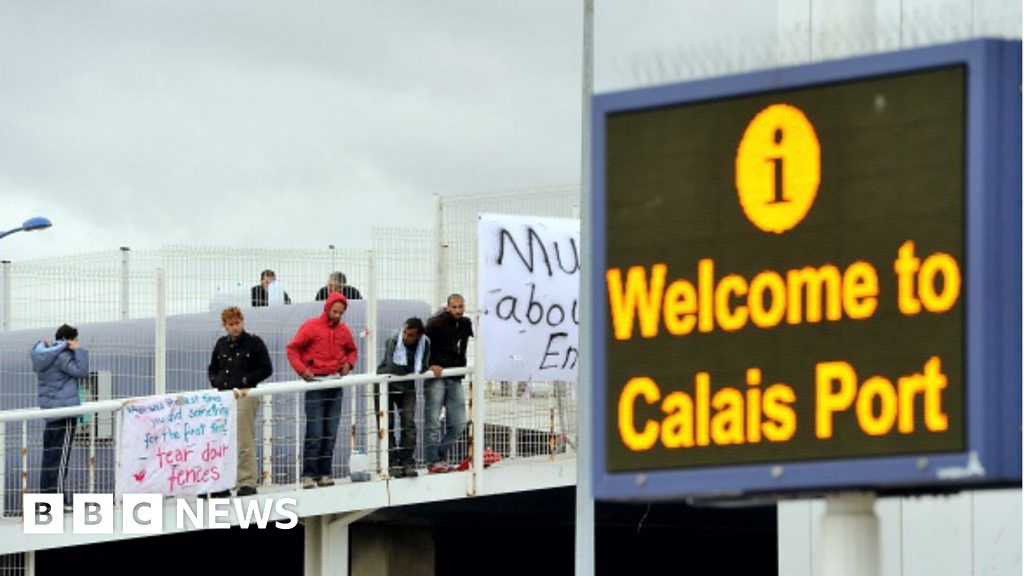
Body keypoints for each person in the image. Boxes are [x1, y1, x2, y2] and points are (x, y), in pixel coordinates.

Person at [286, 292, 358, 489]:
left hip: (335, 384)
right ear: (327, 308)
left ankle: (325, 473)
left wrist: (349, 364)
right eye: (335, 311)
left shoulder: (344, 330)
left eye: (341, 313)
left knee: (330, 432)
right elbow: (292, 349)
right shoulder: (311, 326)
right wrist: (302, 370)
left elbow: (352, 350)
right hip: (316, 384)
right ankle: (309, 475)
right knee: (315, 432)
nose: (337, 315)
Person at [207, 306, 273, 497]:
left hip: (244, 395)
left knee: (243, 439)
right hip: (224, 396)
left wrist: (246, 380)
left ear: (242, 322)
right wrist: (216, 381)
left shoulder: (254, 342)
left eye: (237, 323)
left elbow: (266, 368)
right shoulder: (221, 344)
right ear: (225, 326)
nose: (235, 327)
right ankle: (225, 482)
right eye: (231, 324)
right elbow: (213, 367)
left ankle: (246, 481)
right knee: (224, 440)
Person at [31, 324, 89, 511]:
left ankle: (46, 500)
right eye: (76, 339)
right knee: (61, 459)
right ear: (68, 340)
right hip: (65, 413)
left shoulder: (44, 356)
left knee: (50, 459)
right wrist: (78, 351)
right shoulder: (62, 357)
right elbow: (81, 371)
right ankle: (58, 501)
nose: (77, 342)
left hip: (51, 413)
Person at [423, 294, 473, 474]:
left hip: (455, 375)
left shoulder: (465, 323)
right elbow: (422, 344)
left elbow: (465, 345)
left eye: (461, 307)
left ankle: (438, 457)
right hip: (437, 375)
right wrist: (428, 365)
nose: (458, 310)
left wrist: (462, 366)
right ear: (447, 307)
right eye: (454, 307)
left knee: (459, 423)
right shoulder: (435, 323)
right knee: (433, 422)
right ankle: (433, 461)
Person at [376, 317, 431, 479]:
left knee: (408, 424)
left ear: (419, 336)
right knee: (387, 425)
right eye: (405, 333)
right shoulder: (394, 339)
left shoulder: (425, 343)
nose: (406, 337)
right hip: (385, 385)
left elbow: (424, 366)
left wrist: (411, 369)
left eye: (411, 335)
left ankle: (407, 461)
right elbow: (393, 367)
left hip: (407, 387)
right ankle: (392, 463)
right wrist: (412, 369)